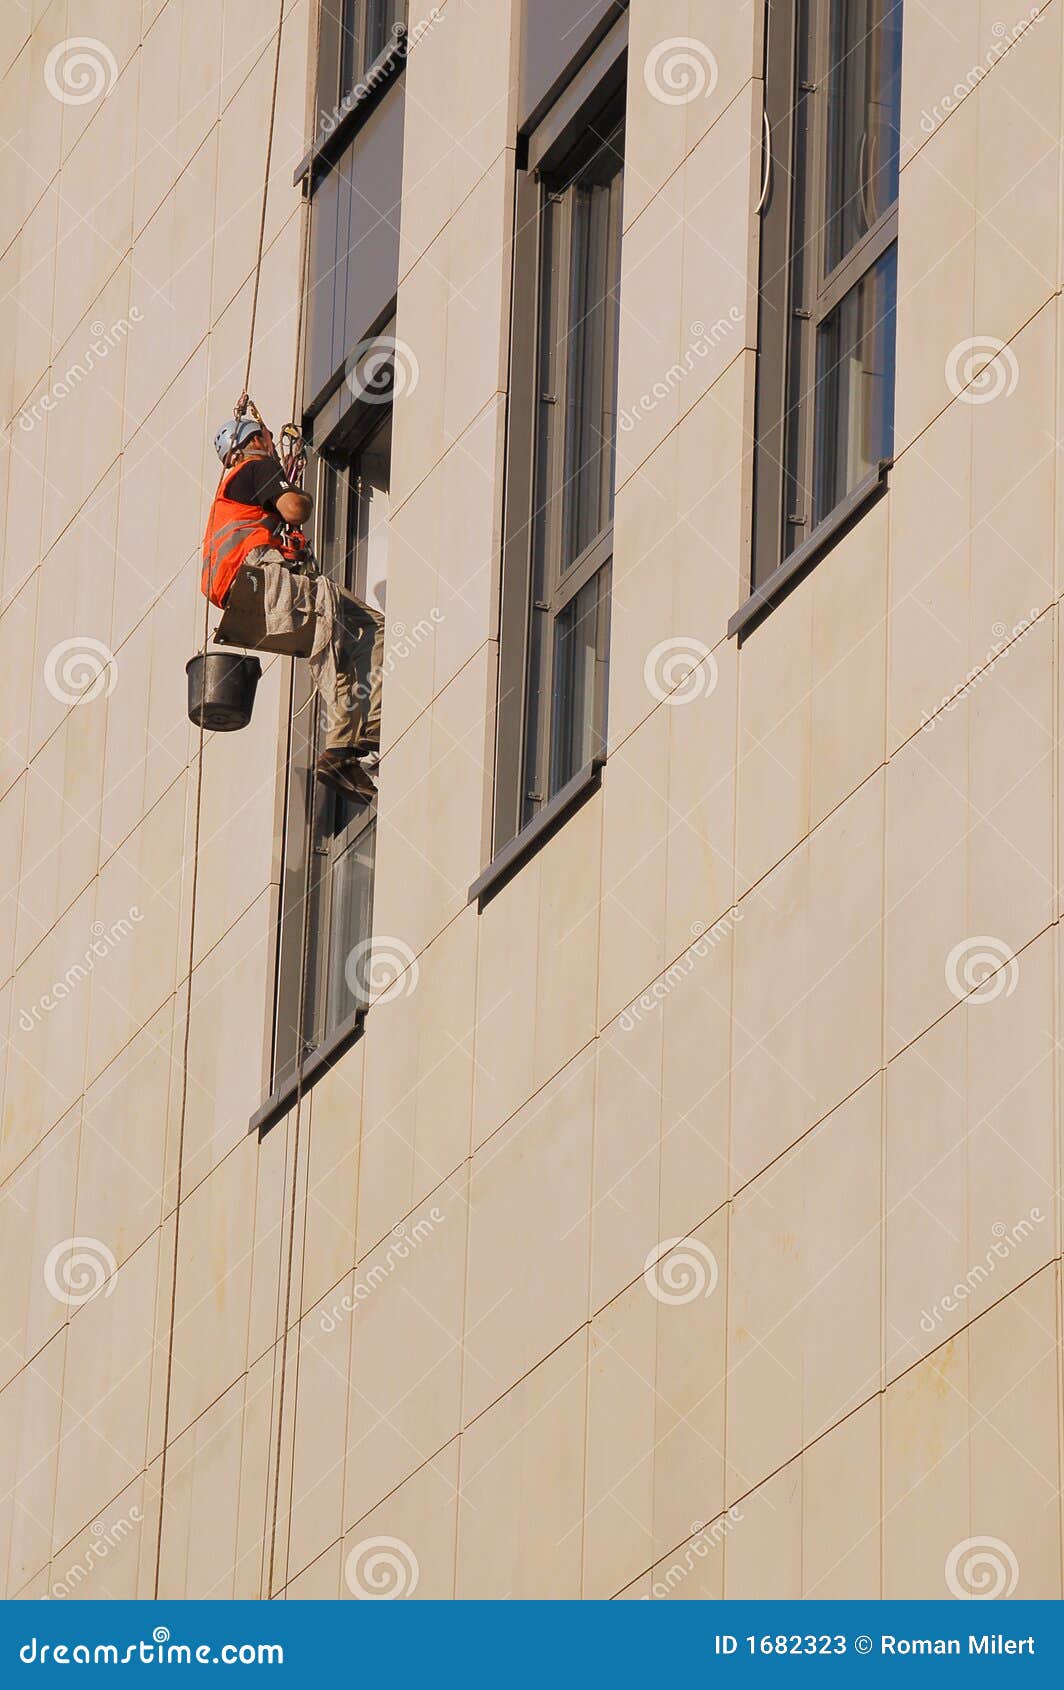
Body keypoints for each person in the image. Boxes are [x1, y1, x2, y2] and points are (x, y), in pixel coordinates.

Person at [201, 415, 383, 801]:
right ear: (257, 439)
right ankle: (351, 739)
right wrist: (300, 494)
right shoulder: (257, 467)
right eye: (265, 435)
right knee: (371, 627)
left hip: (244, 598)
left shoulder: (229, 496)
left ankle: (352, 736)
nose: (270, 440)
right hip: (262, 582)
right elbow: (294, 509)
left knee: (336, 635)